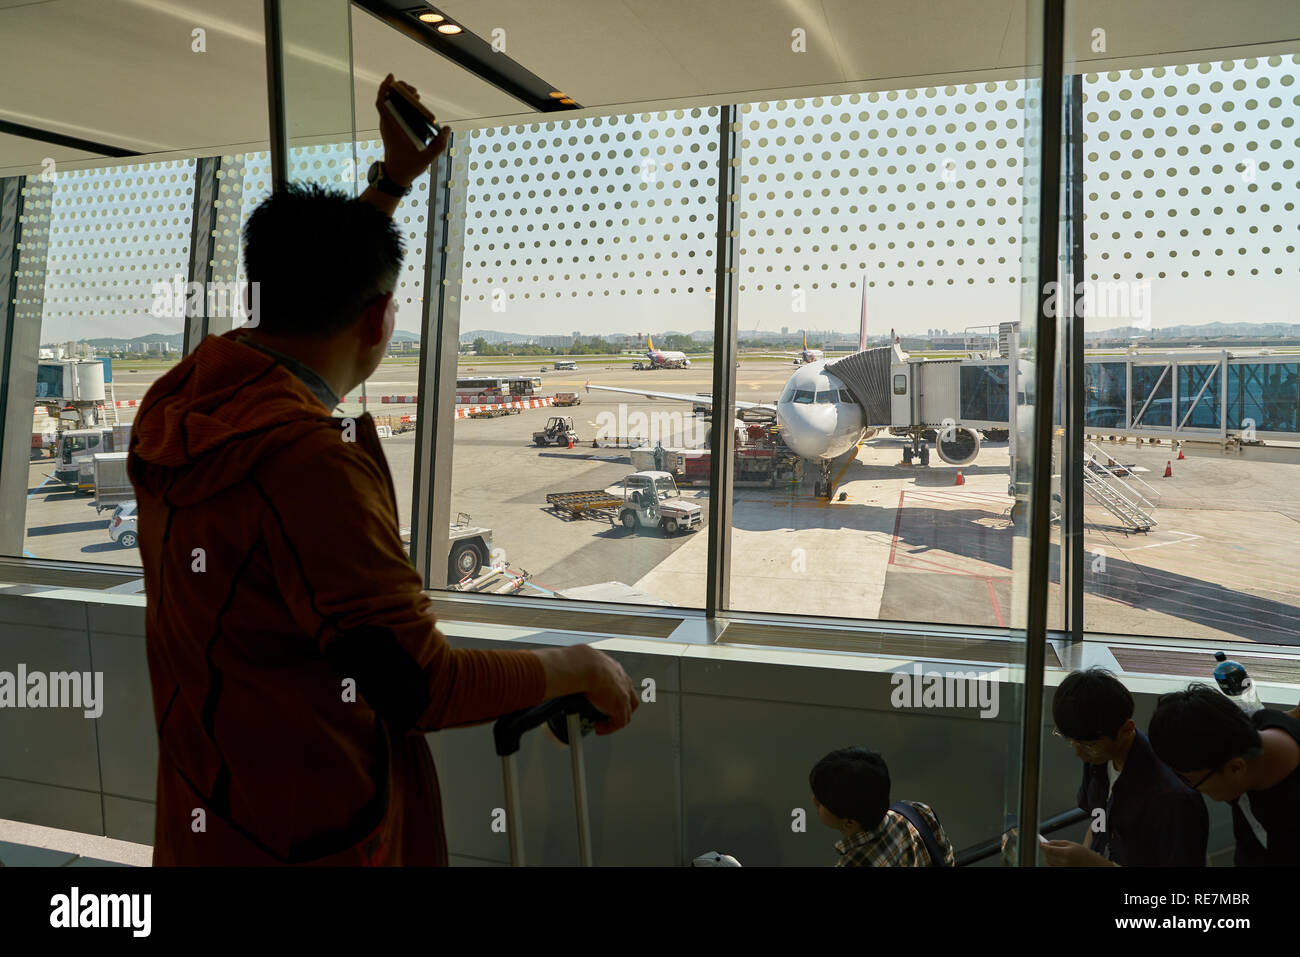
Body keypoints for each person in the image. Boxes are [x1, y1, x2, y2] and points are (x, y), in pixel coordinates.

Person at [127, 75, 637, 866]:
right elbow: (421, 684)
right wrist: (576, 664)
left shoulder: (182, 398)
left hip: (211, 813)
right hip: (312, 835)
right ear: (379, 319)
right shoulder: (309, 467)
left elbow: (307, 288)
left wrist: (390, 186)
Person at [1041, 668, 1207, 866]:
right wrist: (1085, 855)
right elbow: (1099, 820)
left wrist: (1091, 863)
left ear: (1127, 729)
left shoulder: (1172, 797)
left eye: (1089, 744)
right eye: (1071, 741)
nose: (1079, 753)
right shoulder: (1097, 760)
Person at [1149, 684, 1300, 866]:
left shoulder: (1288, 818)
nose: (1191, 788)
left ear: (1236, 768)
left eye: (1192, 782)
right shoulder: (1259, 724)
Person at [810, 746, 955, 866]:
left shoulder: (852, 863)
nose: (813, 801)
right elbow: (947, 860)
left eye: (821, 802)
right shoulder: (917, 811)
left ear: (849, 822)